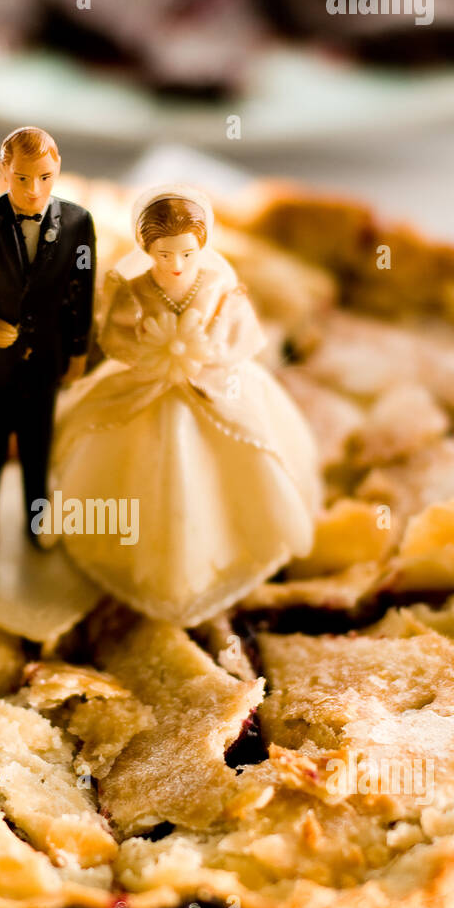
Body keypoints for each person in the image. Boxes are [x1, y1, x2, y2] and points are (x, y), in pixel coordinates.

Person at [49, 184, 321, 624]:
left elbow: (240, 329)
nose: (175, 265)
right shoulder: (132, 287)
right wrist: (149, 353)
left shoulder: (218, 283)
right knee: (130, 459)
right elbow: (114, 335)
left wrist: (205, 352)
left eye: (186, 254)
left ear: (202, 247)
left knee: (248, 448)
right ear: (146, 248)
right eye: (164, 255)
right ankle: (124, 546)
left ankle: (242, 538)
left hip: (213, 380)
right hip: (146, 385)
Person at [0, 126, 96, 550]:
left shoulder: (78, 223)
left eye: (45, 178)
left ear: (59, 170)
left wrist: (79, 349)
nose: (34, 190)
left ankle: (37, 522)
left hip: (45, 361)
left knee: (38, 449)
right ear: (3, 171)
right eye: (23, 178)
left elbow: (81, 293)